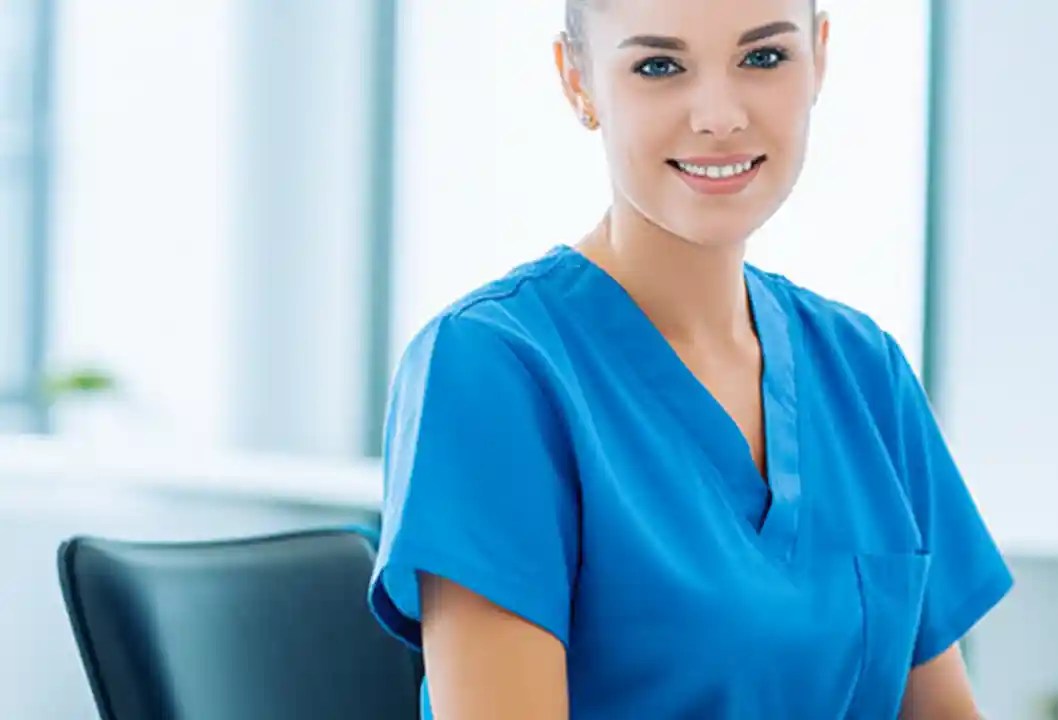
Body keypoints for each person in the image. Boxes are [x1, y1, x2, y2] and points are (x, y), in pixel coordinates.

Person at [368, 0, 1013, 717]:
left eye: (763, 57)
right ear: (577, 79)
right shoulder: (490, 370)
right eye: (659, 66)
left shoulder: (865, 373)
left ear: (819, 58)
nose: (719, 117)